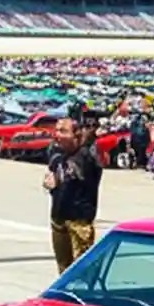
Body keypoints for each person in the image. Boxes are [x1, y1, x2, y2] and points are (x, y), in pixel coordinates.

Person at [43, 117, 104, 274]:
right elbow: (51, 174)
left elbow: (82, 172)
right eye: (56, 130)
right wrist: (49, 180)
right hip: (58, 219)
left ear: (76, 135)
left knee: (81, 272)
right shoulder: (57, 155)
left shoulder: (87, 156)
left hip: (79, 222)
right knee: (63, 270)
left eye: (63, 131)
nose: (57, 135)